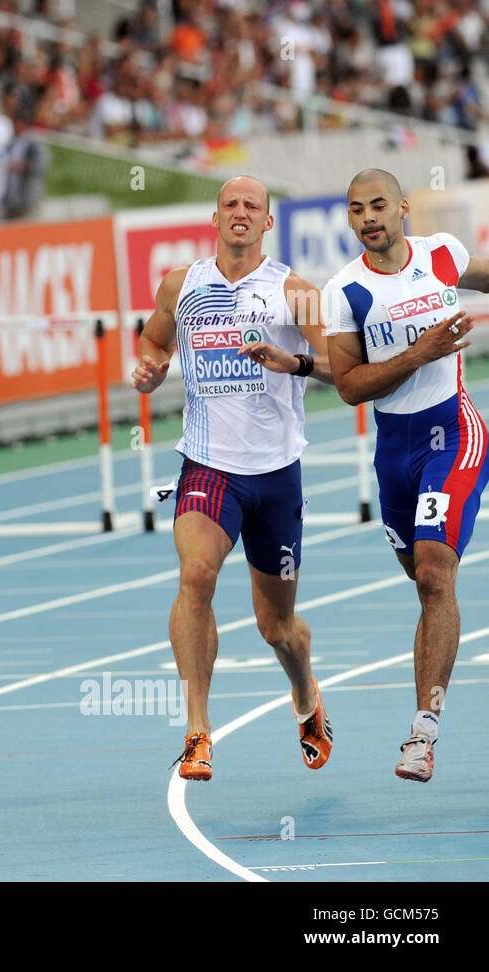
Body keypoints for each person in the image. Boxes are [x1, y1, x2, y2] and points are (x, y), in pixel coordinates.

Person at [132, 175, 337, 781]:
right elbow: (152, 339)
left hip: (275, 474)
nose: (241, 213)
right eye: (231, 205)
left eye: (253, 206)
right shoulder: (182, 284)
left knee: (277, 628)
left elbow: (344, 370)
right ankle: (197, 731)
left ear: (268, 223)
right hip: (207, 465)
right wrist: (151, 370)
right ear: (215, 217)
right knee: (196, 575)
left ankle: (305, 697)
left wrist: (292, 361)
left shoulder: (294, 293)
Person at [323, 168, 489, 782]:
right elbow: (348, 386)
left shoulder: (441, 254)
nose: (368, 218)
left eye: (378, 206)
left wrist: (431, 357)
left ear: (403, 209)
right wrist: (421, 350)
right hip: (394, 450)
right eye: (357, 209)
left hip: (454, 432)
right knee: (425, 586)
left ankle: (424, 731)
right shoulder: (344, 292)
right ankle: (426, 716)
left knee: (433, 569)